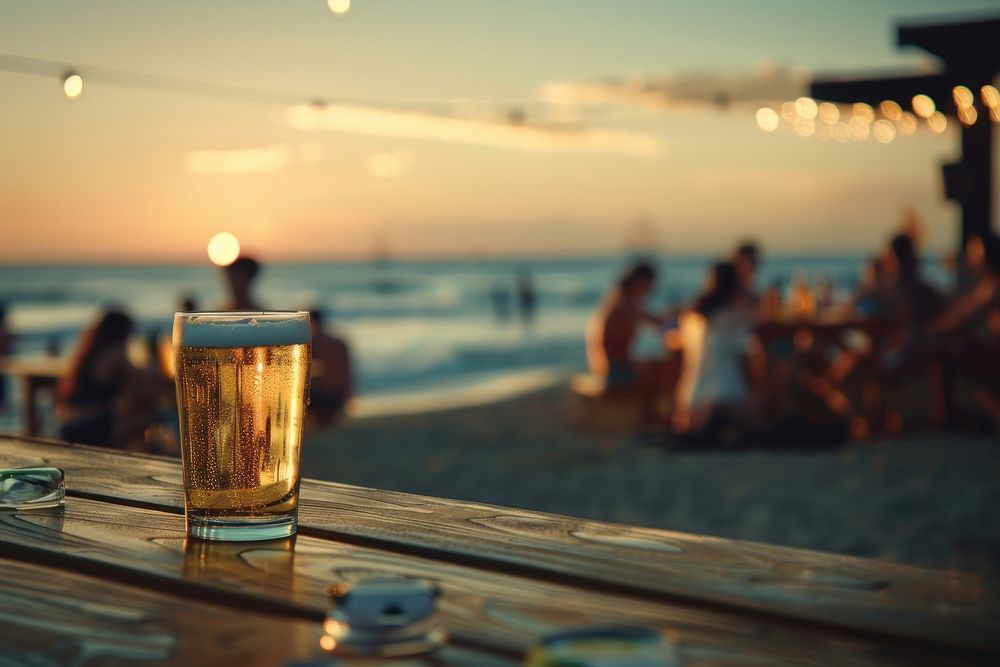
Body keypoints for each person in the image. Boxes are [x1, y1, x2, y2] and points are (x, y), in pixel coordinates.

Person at [673, 261, 759, 435]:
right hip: (727, 393)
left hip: (691, 393)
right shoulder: (733, 316)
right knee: (757, 421)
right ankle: (710, 418)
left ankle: (700, 421)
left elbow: (677, 344)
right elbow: (750, 350)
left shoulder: (691, 315)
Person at [56, 309, 162, 449]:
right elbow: (141, 379)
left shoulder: (87, 352)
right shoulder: (114, 353)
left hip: (69, 424)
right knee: (152, 416)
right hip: (90, 428)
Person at [586, 261, 667, 424]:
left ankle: (651, 417)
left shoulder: (616, 300)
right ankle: (652, 418)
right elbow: (659, 322)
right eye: (651, 283)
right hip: (613, 372)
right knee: (664, 368)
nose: (653, 288)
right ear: (641, 282)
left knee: (656, 365)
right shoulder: (628, 304)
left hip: (602, 366)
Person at [306, 308, 354, 429]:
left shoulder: (311, 343)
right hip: (338, 397)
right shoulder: (340, 343)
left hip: (321, 398)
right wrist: (349, 395)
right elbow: (347, 373)